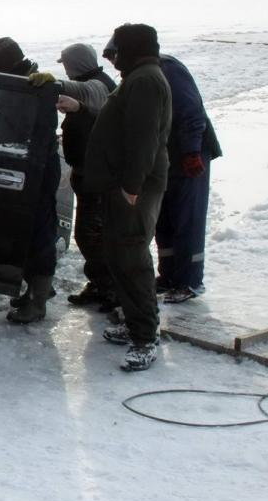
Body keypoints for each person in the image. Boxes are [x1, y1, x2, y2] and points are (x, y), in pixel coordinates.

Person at [84, 24, 172, 372]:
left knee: (132, 258)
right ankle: (137, 321)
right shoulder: (140, 77)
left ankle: (145, 336)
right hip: (123, 185)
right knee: (119, 255)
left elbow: (143, 139)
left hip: (133, 188)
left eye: (117, 48)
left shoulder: (146, 81)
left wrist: (132, 187)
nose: (112, 55)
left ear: (132, 49)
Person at [27, 44, 118, 311]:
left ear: (75, 64)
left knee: (94, 234)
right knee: (89, 234)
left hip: (98, 176)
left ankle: (110, 289)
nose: (64, 67)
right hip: (87, 172)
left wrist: (56, 84)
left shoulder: (99, 86)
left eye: (65, 64)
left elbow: (85, 93)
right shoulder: (94, 83)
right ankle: (99, 284)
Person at [0, 37, 60, 324]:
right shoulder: (22, 82)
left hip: (33, 171)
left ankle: (38, 301)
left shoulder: (35, 87)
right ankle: (35, 291)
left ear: (4, 65)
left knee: (38, 233)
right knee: (29, 232)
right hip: (27, 168)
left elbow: (30, 130)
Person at [156, 55, 221, 303]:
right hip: (166, 156)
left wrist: (192, 152)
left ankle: (190, 281)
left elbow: (192, 114)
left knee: (187, 218)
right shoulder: (139, 71)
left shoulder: (169, 69)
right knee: (165, 218)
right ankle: (170, 275)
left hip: (188, 156)